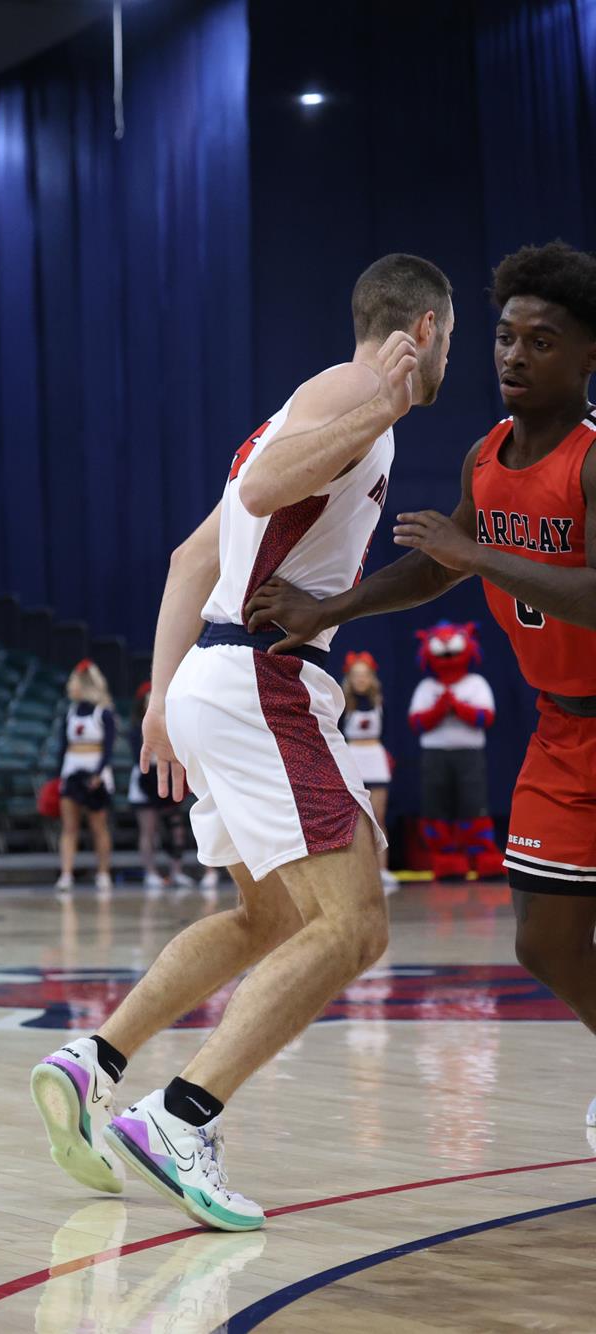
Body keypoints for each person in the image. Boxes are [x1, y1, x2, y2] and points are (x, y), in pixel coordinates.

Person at [32, 252, 451, 1232]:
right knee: (352, 925)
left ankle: (93, 1058)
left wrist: (157, 701)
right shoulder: (349, 396)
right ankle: (179, 1115)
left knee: (266, 918)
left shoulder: (295, 409)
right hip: (262, 679)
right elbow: (263, 488)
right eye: (452, 343)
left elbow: (191, 554)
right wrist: (377, 409)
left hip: (214, 677)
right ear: (421, 333)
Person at [246, 242, 596, 1123]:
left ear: (588, 355)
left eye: (543, 342)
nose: (516, 356)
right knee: (545, 941)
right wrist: (332, 609)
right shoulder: (489, 454)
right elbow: (436, 571)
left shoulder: (592, 457)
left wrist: (477, 553)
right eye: (507, 338)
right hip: (563, 730)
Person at [407, 621, 501, 879]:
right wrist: (439, 709)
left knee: (474, 804)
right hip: (435, 755)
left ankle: (482, 856)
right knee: (436, 806)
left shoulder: (476, 683)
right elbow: (416, 723)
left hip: (469, 754)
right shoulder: (427, 688)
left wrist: (457, 706)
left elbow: (486, 718)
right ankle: (445, 859)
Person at [53, 661, 117, 897]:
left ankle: (103, 873)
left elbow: (108, 748)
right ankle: (66, 874)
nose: (71, 686)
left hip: (95, 772)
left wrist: (98, 774)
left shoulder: (104, 713)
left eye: (74, 681)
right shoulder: (70, 712)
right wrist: (59, 774)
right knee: (69, 827)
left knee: (98, 826)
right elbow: (62, 746)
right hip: (72, 770)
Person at [127, 681, 195, 895]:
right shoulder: (135, 729)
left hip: (168, 774)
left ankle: (177, 871)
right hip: (146, 777)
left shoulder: (173, 723)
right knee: (148, 829)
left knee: (176, 826)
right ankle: (150, 872)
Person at [337, 652, 395, 890]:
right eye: (356, 675)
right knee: (352, 819)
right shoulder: (342, 704)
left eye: (365, 675)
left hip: (375, 758)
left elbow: (387, 732)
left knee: (378, 817)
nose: (361, 680)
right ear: (349, 678)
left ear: (372, 678)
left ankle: (382, 870)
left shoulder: (380, 703)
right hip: (353, 758)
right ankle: (352, 870)